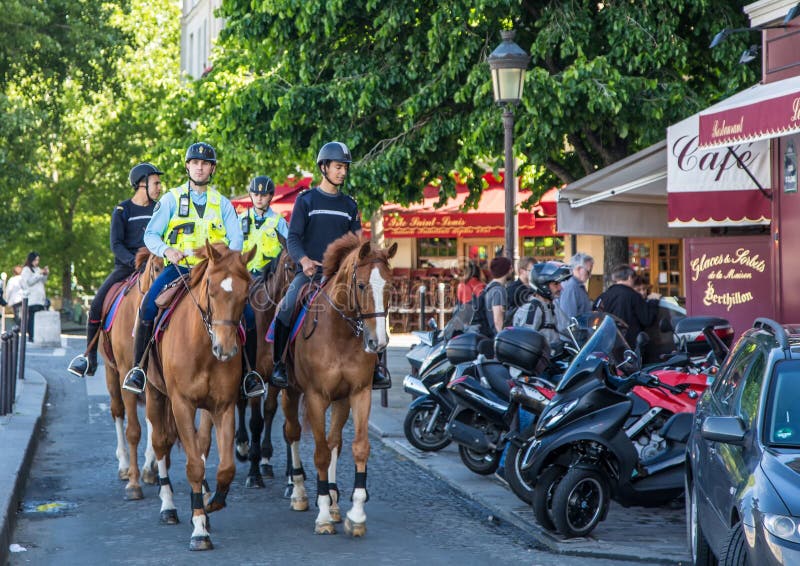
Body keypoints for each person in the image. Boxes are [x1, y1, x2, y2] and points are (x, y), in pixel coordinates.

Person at [122, 142, 252, 396]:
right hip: (180, 269)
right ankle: (138, 369)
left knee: (247, 311)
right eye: (195, 163)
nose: (200, 168)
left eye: (205, 164)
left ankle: (250, 374)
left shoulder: (223, 204)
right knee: (148, 305)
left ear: (212, 168)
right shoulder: (171, 199)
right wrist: (167, 251)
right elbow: (151, 235)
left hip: (213, 271)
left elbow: (237, 240)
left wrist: (224, 260)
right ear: (188, 167)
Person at [271, 141, 391, 390]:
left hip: (343, 277)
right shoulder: (306, 201)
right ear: (324, 167)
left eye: (345, 168)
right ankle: (279, 365)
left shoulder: (349, 205)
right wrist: (303, 261)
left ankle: (376, 367)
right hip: (310, 273)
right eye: (338, 167)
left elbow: (359, 244)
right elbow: (293, 238)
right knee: (286, 307)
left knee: (371, 306)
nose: (343, 172)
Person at [68, 163, 163, 377]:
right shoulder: (122, 210)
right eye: (156, 182)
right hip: (126, 267)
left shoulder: (160, 209)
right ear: (142, 183)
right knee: (96, 305)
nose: (159, 187)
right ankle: (89, 357)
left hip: (156, 266)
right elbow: (116, 244)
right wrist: (134, 262)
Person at [238, 174, 289, 394]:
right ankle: (234, 360)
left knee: (288, 312)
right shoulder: (239, 220)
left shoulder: (279, 222)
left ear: (270, 197)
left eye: (264, 194)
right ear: (251, 195)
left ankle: (283, 364)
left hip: (271, 280)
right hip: (245, 278)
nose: (259, 198)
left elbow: (289, 250)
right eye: (256, 194)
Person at [593, 264, 661, 345]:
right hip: (628, 345)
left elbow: (594, 319)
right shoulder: (633, 296)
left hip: (607, 344)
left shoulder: (603, 296)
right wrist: (654, 302)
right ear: (629, 277)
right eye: (633, 279)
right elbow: (647, 319)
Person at [513, 261, 572, 345]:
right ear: (543, 285)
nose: (560, 288)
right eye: (556, 284)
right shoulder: (532, 309)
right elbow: (525, 345)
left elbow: (567, 329)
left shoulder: (552, 305)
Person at [20, 252, 49, 342]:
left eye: (38, 260)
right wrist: (38, 274)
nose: (37, 262)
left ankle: (37, 335)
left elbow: (43, 282)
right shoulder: (26, 270)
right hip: (32, 298)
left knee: (39, 318)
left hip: (40, 298)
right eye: (35, 260)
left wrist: (45, 274)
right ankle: (31, 336)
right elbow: (29, 282)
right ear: (31, 260)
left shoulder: (38, 269)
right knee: (32, 318)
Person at [558, 252, 594, 319]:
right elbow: (569, 319)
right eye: (588, 272)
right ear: (578, 269)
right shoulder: (571, 288)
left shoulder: (578, 286)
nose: (590, 276)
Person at [483, 256, 513, 337]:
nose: (512, 270)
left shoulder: (489, 287)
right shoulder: (499, 290)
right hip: (495, 337)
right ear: (505, 270)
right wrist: (503, 339)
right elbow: (498, 320)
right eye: (510, 268)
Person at [505, 256, 535, 322]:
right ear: (522, 271)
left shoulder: (534, 288)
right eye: (531, 270)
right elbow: (508, 313)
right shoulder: (512, 289)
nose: (534, 273)